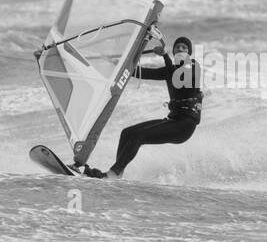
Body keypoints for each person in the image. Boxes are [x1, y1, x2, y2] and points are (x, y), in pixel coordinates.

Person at [82, 31, 203, 179]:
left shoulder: (193, 67)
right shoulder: (169, 70)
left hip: (185, 126)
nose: (180, 49)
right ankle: (117, 173)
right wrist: (120, 66)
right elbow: (142, 73)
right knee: (127, 133)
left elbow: (178, 76)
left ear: (189, 53)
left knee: (139, 135)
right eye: (178, 47)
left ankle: (112, 174)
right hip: (174, 121)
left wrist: (165, 56)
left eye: (184, 47)